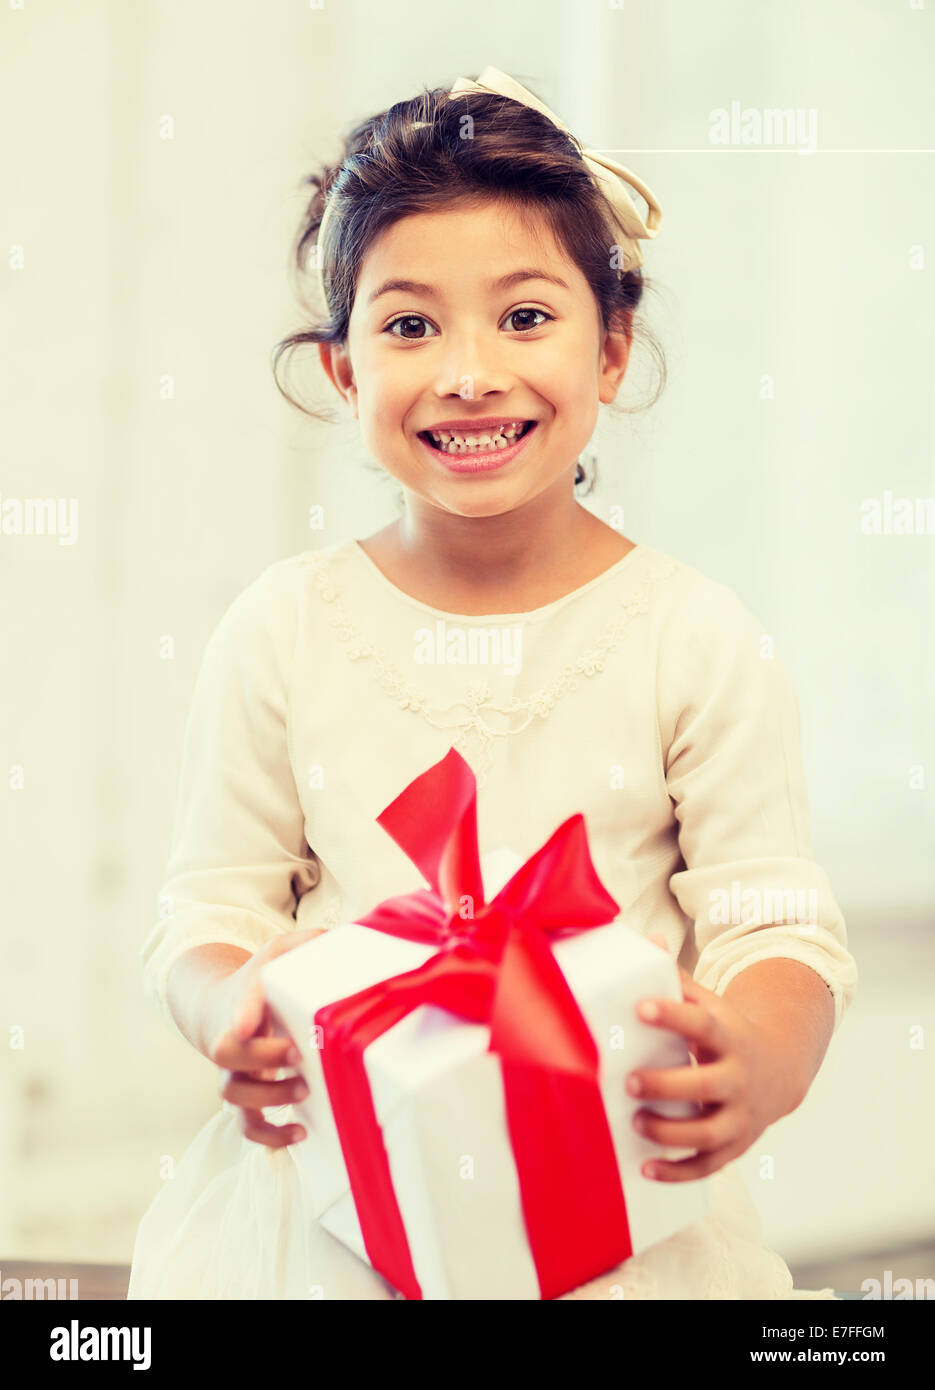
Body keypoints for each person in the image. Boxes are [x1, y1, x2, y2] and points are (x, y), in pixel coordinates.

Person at [127, 66, 857, 1300]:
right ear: (346, 373)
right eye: (409, 325)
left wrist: (760, 1052)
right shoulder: (282, 628)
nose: (468, 373)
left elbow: (773, 926)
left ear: (613, 347)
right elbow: (208, 912)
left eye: (524, 317)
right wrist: (228, 1006)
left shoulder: (693, 635)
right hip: (330, 1211)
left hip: (604, 1206)